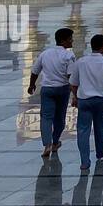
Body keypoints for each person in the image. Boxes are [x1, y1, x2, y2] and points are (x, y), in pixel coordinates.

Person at [71, 34, 103, 172]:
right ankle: (101, 152)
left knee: (83, 130)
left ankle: (84, 161)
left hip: (84, 100)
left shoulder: (81, 61)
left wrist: (75, 96)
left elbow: (73, 83)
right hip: (100, 100)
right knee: (100, 128)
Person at [28, 27, 76, 157]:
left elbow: (35, 71)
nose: (72, 41)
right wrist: (75, 95)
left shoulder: (45, 53)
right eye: (70, 38)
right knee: (59, 118)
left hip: (47, 89)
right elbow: (70, 77)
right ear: (63, 40)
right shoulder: (69, 55)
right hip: (62, 90)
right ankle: (55, 142)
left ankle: (47, 144)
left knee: (46, 118)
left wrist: (31, 85)